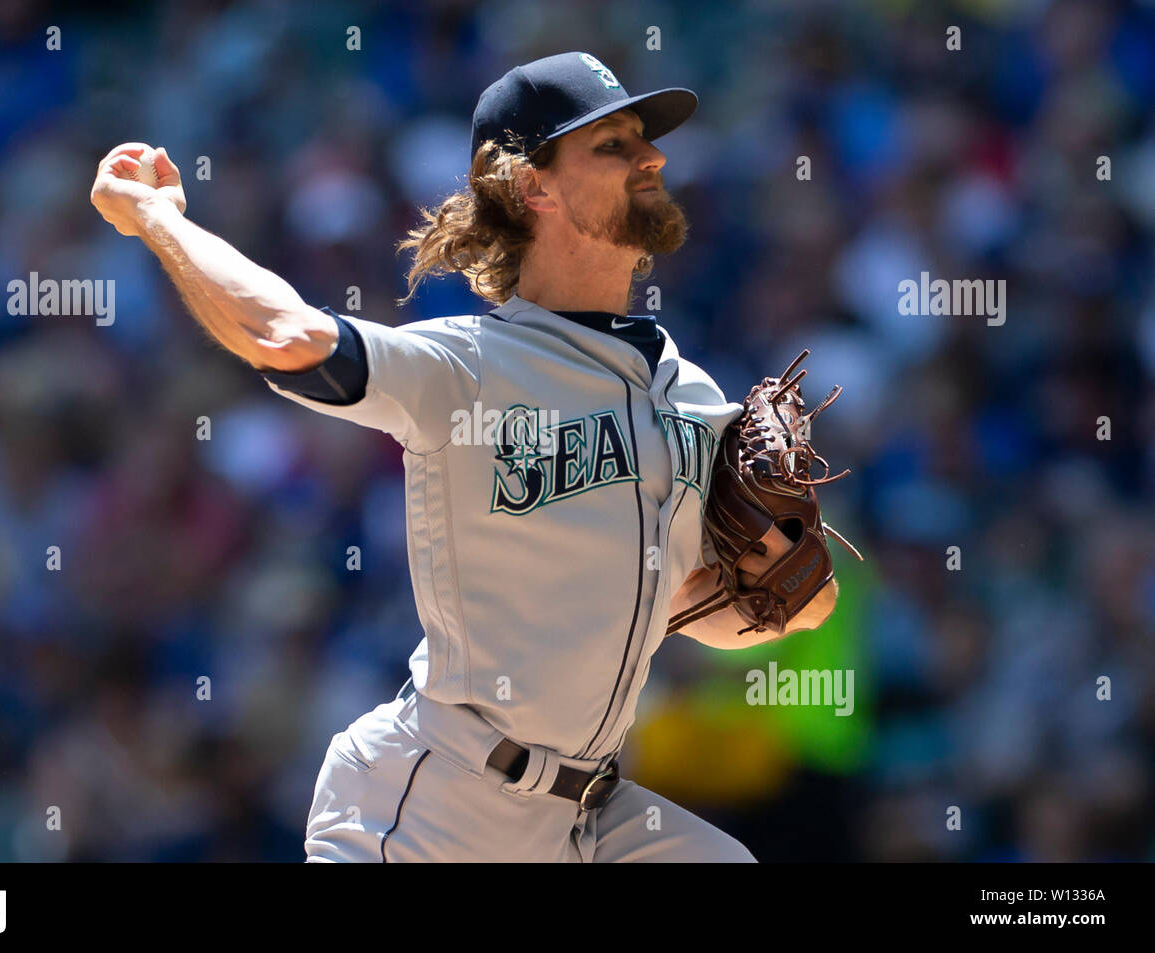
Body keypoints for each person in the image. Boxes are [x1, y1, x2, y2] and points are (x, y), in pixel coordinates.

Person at [90, 51, 837, 862]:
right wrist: (157, 218)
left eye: (643, 140)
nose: (651, 157)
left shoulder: (693, 395)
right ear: (532, 187)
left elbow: (735, 612)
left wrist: (785, 589)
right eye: (612, 145)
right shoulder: (467, 368)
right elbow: (286, 335)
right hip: (436, 809)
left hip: (590, 814)